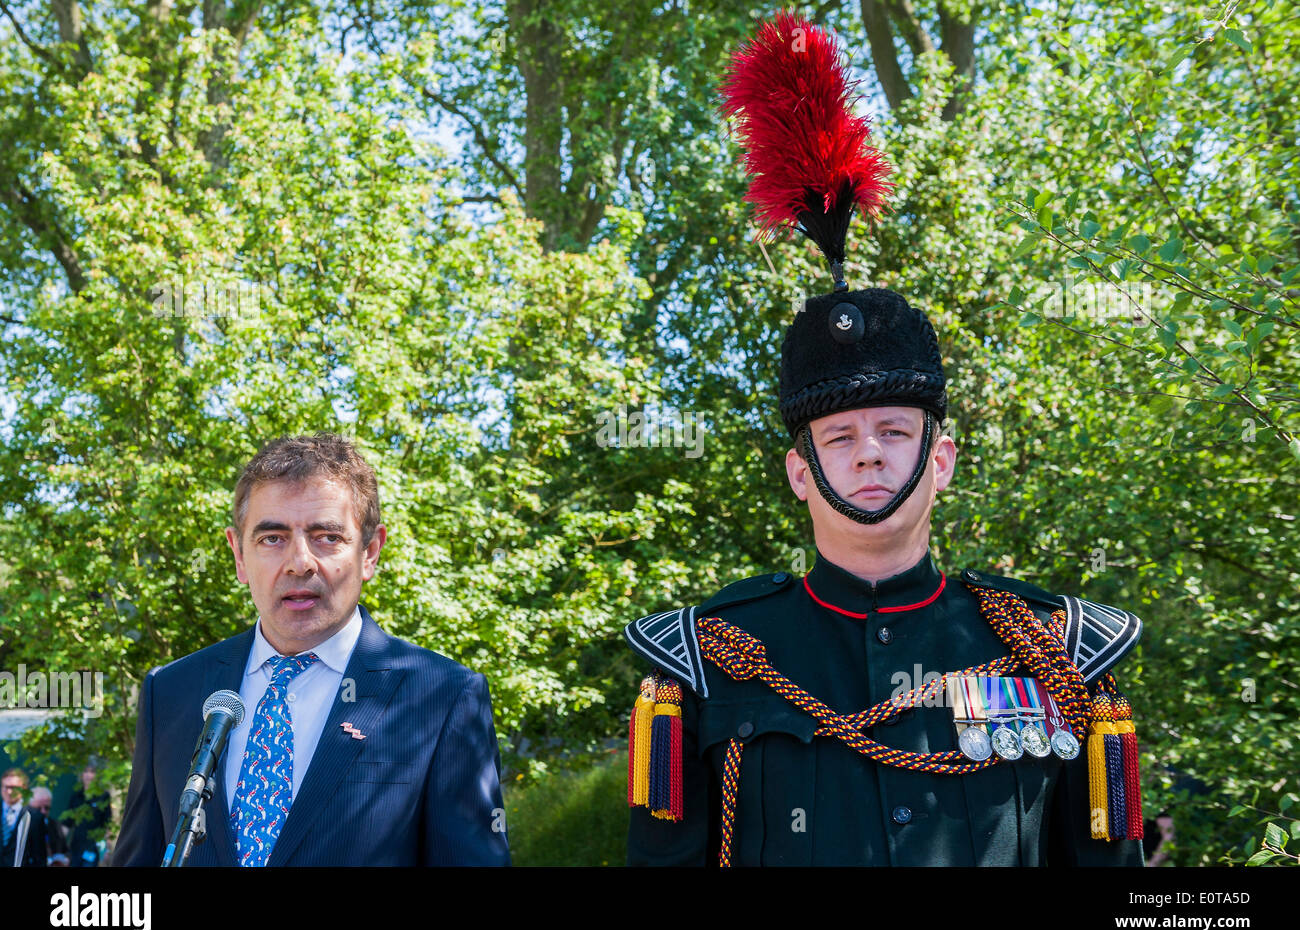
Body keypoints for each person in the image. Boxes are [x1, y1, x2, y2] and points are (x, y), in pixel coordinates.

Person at [623, 14, 1145, 866]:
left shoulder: (1058, 649)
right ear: (801, 470)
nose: (869, 453)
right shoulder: (702, 662)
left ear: (939, 459)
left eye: (896, 431)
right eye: (840, 437)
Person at [115, 433, 510, 866]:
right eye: (272, 538)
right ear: (239, 556)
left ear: (370, 552)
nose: (299, 562)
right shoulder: (171, 692)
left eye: (326, 537)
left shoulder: (443, 698)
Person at [63, 763, 111, 867]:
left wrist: (107, 849)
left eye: (92, 772)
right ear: (82, 775)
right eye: (86, 771)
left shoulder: (103, 796)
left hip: (93, 846)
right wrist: (59, 847)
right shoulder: (76, 796)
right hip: (76, 847)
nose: (88, 775)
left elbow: (108, 825)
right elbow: (67, 824)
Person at [1, 768, 47, 867]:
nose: (9, 792)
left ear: (24, 788)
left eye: (14, 787)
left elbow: (39, 857)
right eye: (6, 787)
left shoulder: (35, 817)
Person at [28, 786, 70, 865]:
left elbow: (65, 851)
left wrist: (64, 859)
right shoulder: (23, 827)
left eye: (46, 808)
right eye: (38, 808)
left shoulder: (55, 825)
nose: (43, 811)